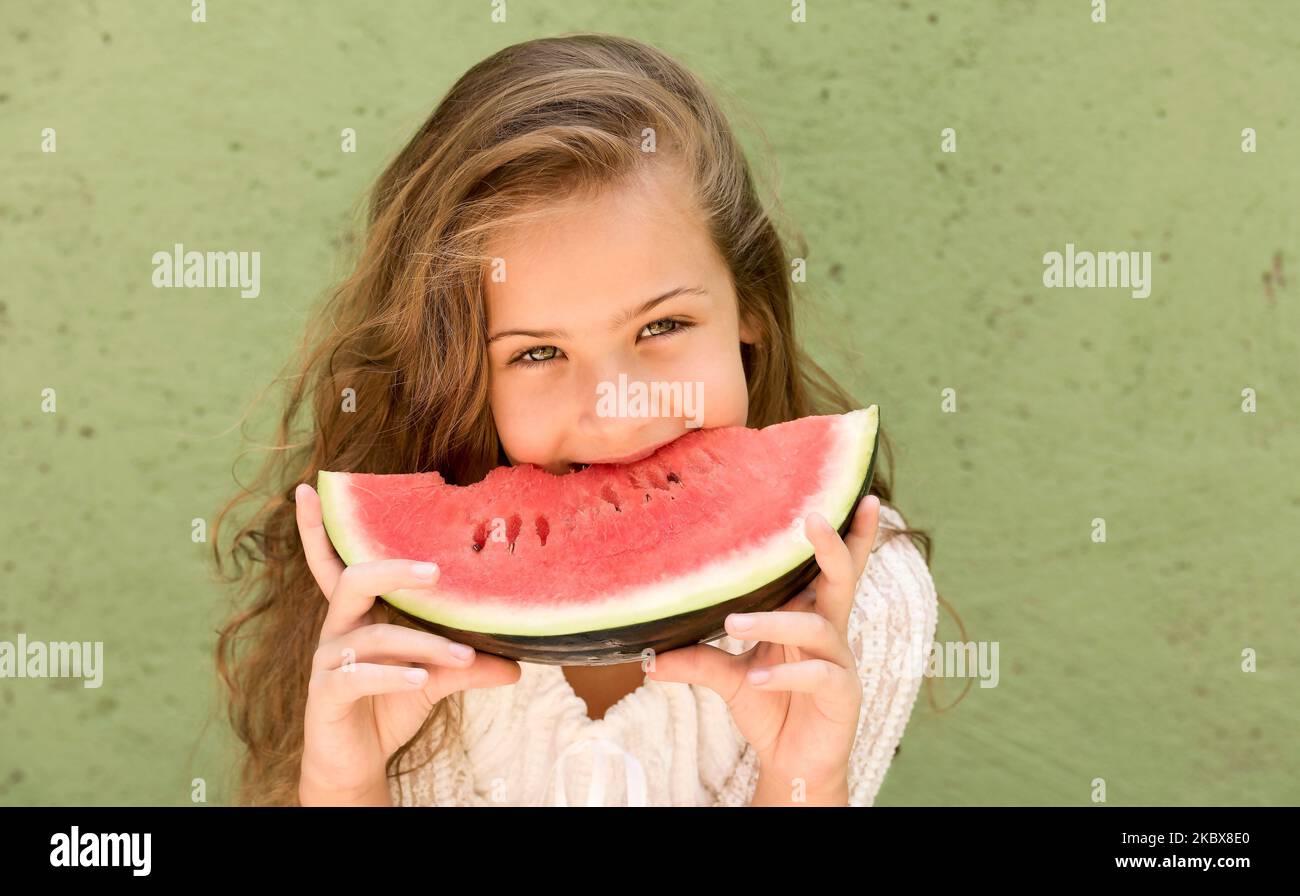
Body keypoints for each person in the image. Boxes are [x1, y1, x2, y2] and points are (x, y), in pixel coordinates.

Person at [213, 33, 946, 807]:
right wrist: (344, 781)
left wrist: (804, 778)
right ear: (454, 372)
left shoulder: (860, 605)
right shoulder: (387, 614)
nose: (616, 408)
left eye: (662, 328)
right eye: (536, 354)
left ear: (750, 312)